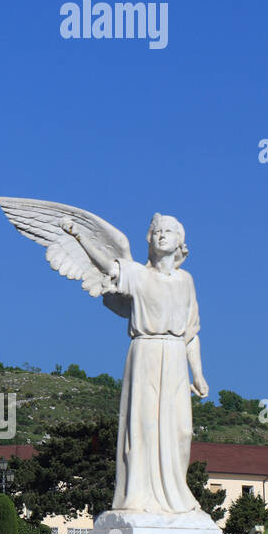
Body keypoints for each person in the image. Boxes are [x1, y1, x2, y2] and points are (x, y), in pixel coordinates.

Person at [63, 214, 207, 514]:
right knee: (143, 426)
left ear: (181, 241)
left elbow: (191, 332)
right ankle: (139, 497)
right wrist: (79, 236)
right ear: (150, 239)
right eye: (156, 231)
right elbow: (106, 265)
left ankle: (175, 498)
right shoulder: (138, 274)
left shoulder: (186, 281)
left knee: (180, 430)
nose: (162, 235)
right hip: (146, 352)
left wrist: (199, 374)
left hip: (176, 356)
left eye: (169, 231)